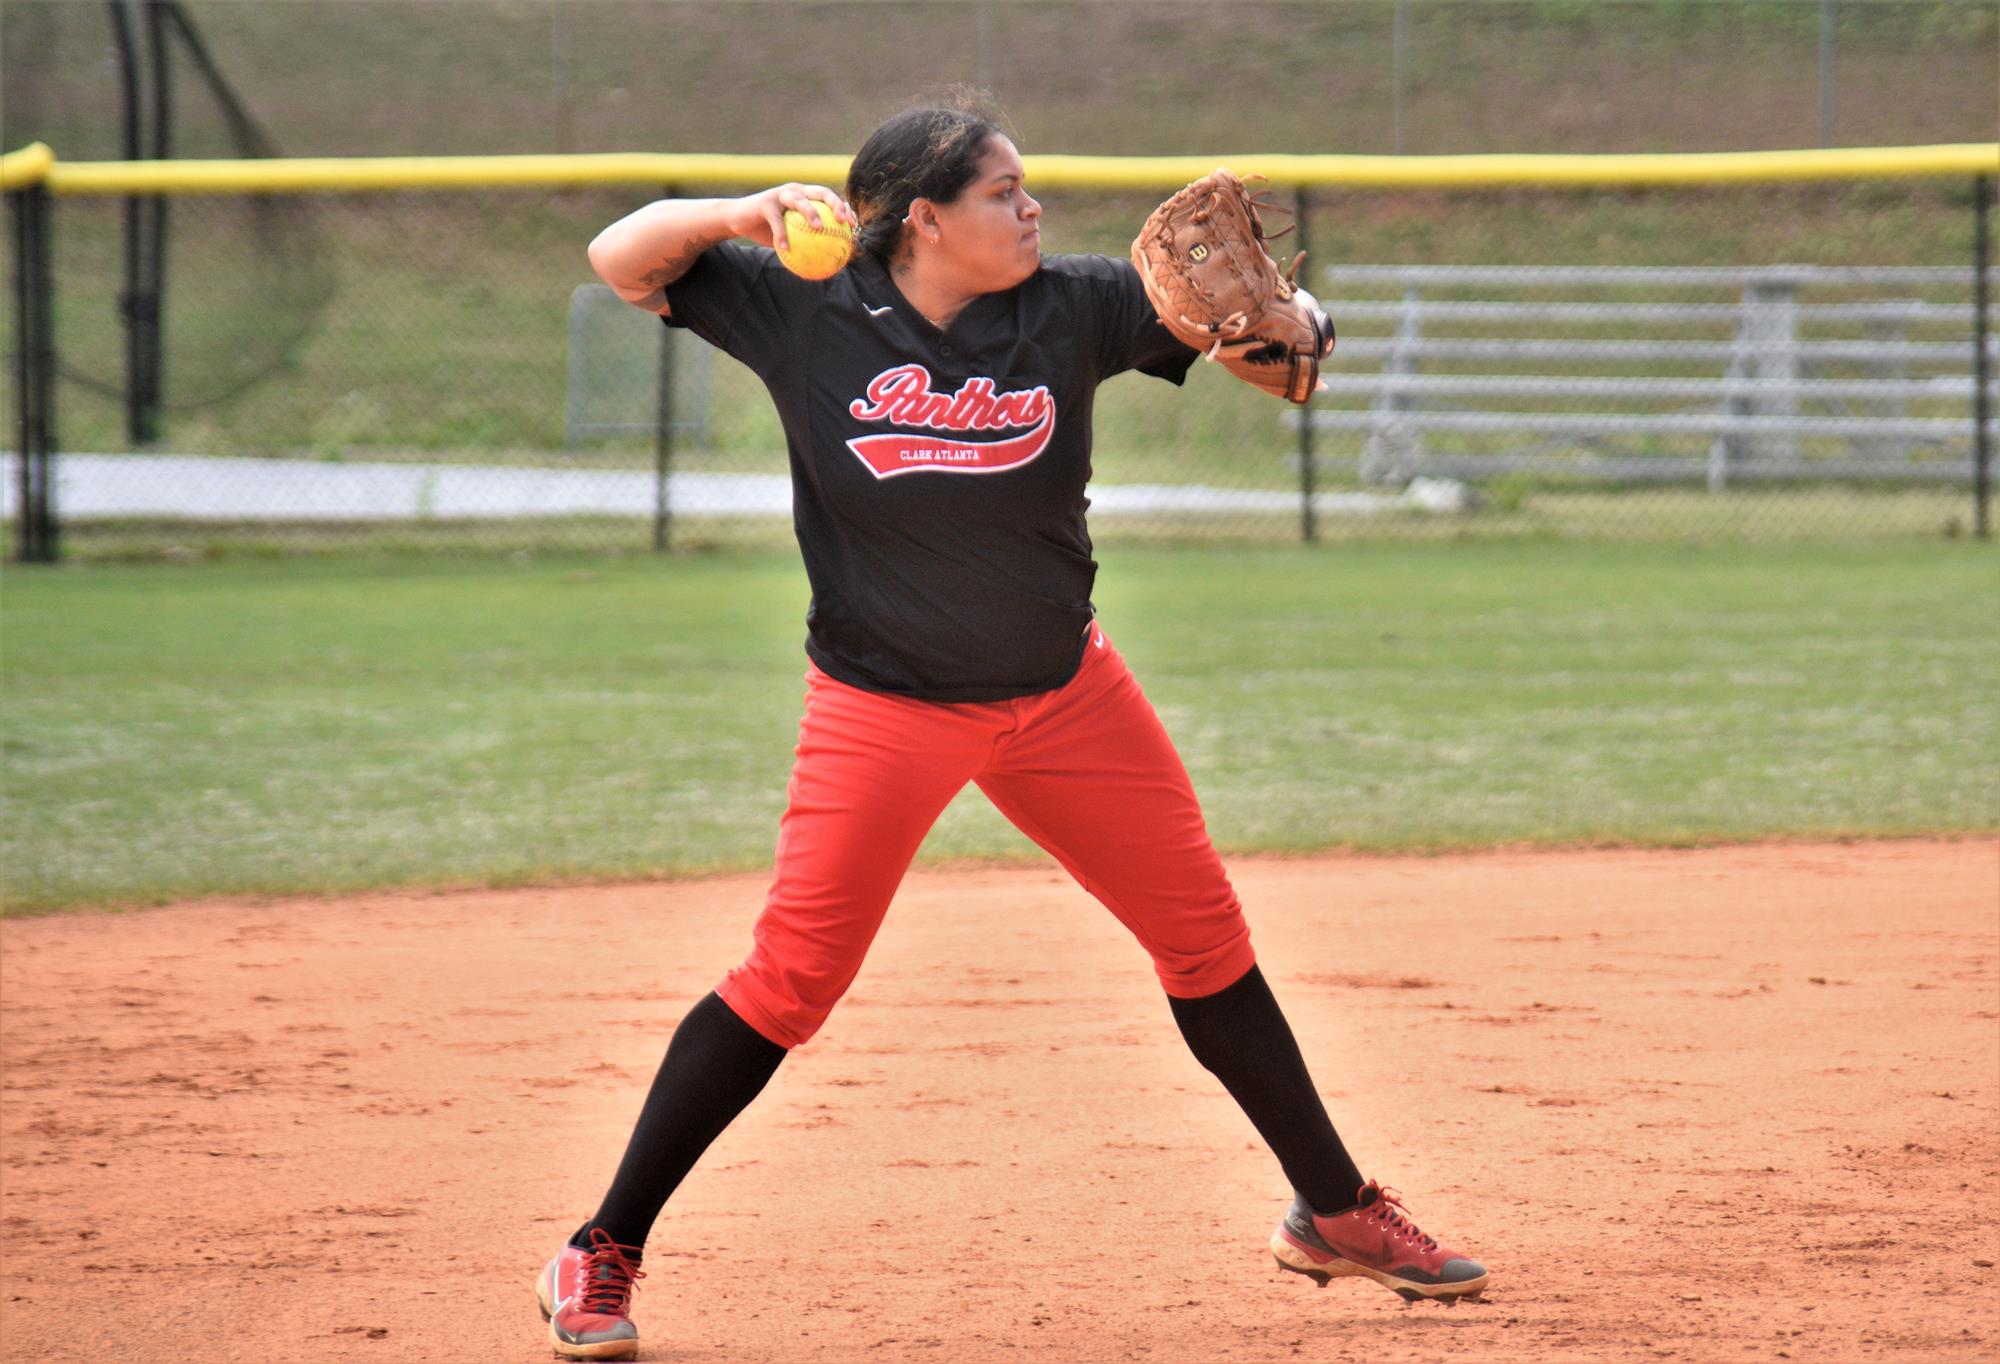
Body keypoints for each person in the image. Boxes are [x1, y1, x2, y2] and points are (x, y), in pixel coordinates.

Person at [538, 98, 1487, 1361]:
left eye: (1025, 185)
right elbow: (621, 258)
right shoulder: (805, 307)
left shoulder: (1076, 303)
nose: (1030, 206)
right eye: (1000, 191)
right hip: (883, 706)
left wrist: (1292, 330)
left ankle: (1335, 1209)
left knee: (1204, 939)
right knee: (791, 977)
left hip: (1065, 696)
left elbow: (1274, 362)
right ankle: (599, 1246)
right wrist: (740, 213)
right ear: (921, 218)